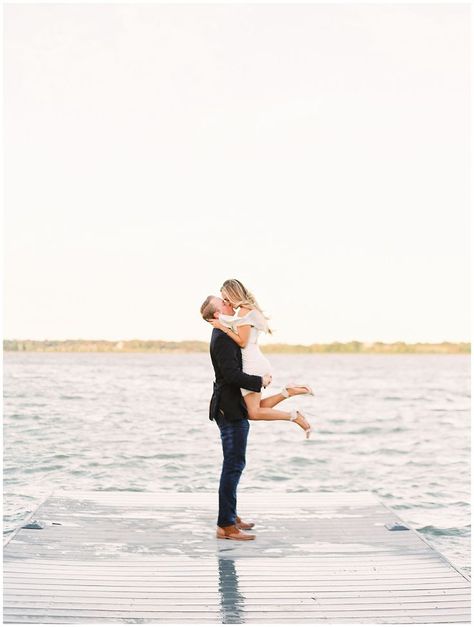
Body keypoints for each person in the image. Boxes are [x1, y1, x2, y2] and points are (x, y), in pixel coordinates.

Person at [200, 294, 270, 541]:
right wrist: (258, 381)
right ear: (218, 314)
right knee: (233, 465)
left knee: (235, 464)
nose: (231, 304)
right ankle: (225, 526)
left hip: (232, 406)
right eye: (225, 303)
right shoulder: (220, 338)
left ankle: (231, 515)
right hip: (228, 409)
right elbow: (230, 374)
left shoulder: (225, 332)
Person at [209, 279, 313, 438]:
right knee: (253, 409)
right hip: (255, 360)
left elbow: (242, 342)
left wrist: (222, 328)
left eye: (225, 297)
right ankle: (288, 393)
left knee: (254, 413)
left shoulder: (244, 312)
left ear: (232, 293)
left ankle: (294, 416)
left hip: (252, 363)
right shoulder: (247, 310)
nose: (226, 301)